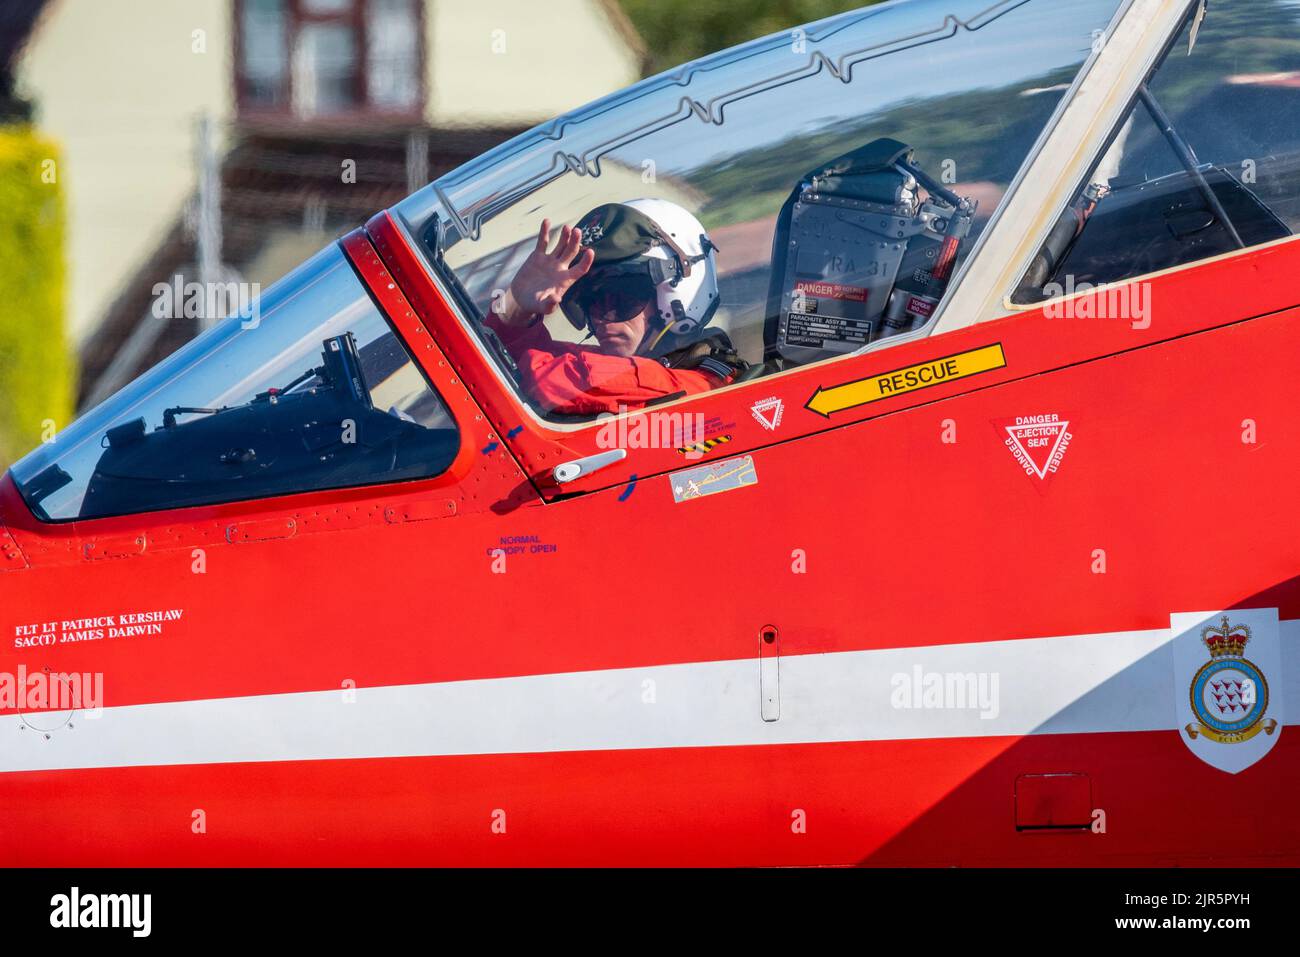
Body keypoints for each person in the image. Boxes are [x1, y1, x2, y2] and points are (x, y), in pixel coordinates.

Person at [485, 198, 748, 416]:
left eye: (624, 297)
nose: (603, 320)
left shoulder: (703, 385)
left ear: (673, 297)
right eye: (591, 302)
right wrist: (517, 307)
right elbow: (497, 359)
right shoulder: (624, 368)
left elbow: (552, 380)